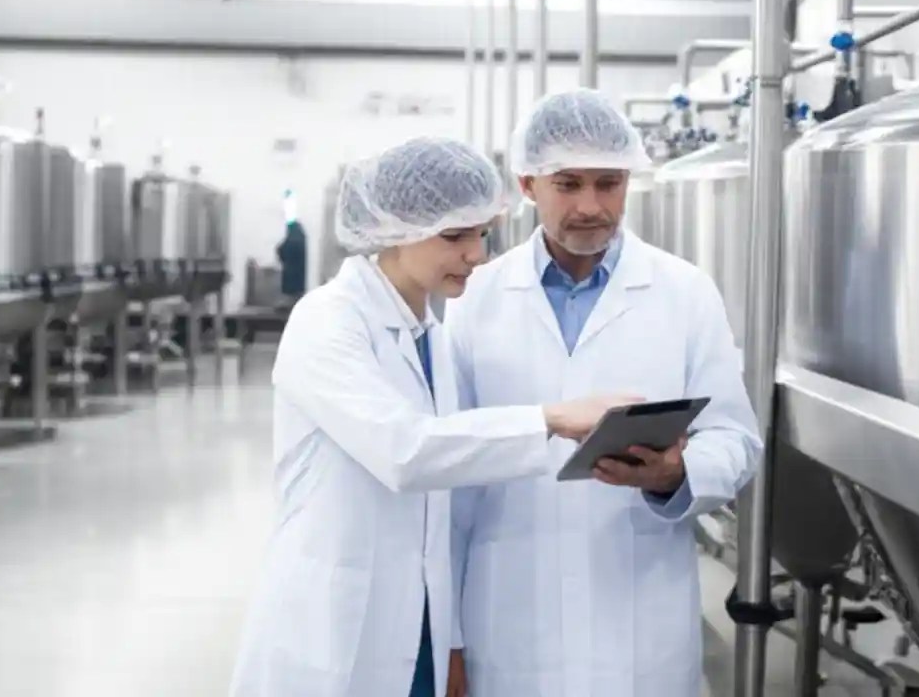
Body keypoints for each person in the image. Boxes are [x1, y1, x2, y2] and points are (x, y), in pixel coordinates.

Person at [228, 136, 640, 697]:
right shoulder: (327, 322)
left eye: (482, 234)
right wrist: (552, 417)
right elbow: (407, 452)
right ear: (394, 232)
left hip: (414, 622)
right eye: (454, 236)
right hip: (335, 624)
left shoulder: (431, 336)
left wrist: (450, 640)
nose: (477, 254)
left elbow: (444, 495)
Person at [445, 89, 763, 696]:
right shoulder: (476, 298)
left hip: (639, 624)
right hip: (510, 613)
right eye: (568, 184)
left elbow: (735, 438)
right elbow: (450, 473)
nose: (591, 206)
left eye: (608, 183)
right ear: (529, 184)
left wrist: (675, 473)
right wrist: (451, 638)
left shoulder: (684, 292)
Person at [275, 211, 308, 303]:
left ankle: (289, 301)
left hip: (291, 275)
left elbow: (282, 250)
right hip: (298, 278)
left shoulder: (292, 239)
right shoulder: (301, 238)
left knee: (291, 290)